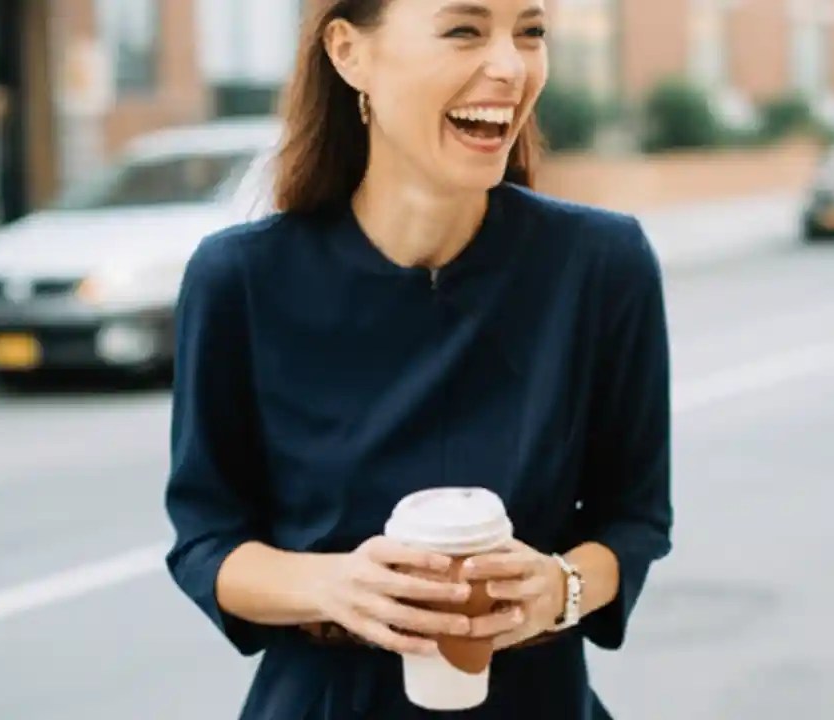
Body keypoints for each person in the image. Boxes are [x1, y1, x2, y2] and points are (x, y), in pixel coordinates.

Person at [163, 0, 672, 717]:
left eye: (530, 32)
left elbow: (635, 519)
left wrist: (560, 589)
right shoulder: (239, 278)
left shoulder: (603, 266)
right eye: (464, 30)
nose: (510, 66)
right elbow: (207, 542)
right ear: (349, 54)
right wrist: (333, 587)